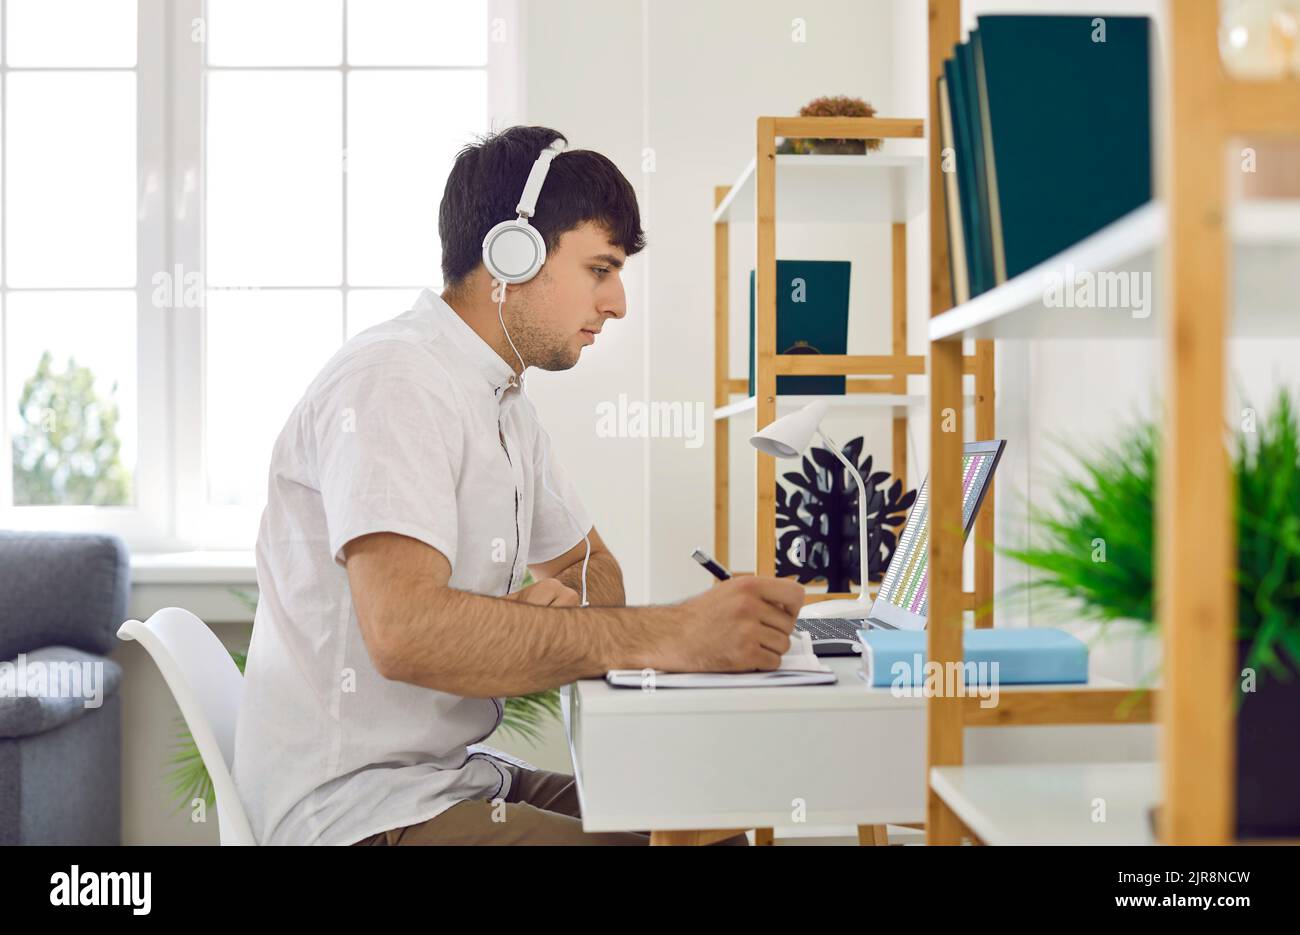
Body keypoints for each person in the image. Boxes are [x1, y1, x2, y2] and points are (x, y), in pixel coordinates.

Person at [232, 125, 802, 846]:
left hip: (448, 778)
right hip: (360, 814)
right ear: (513, 252)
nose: (619, 302)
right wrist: (678, 632)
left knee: (704, 814)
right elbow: (405, 634)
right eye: (600, 269)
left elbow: (592, 570)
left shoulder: (504, 405)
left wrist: (525, 618)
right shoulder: (394, 381)